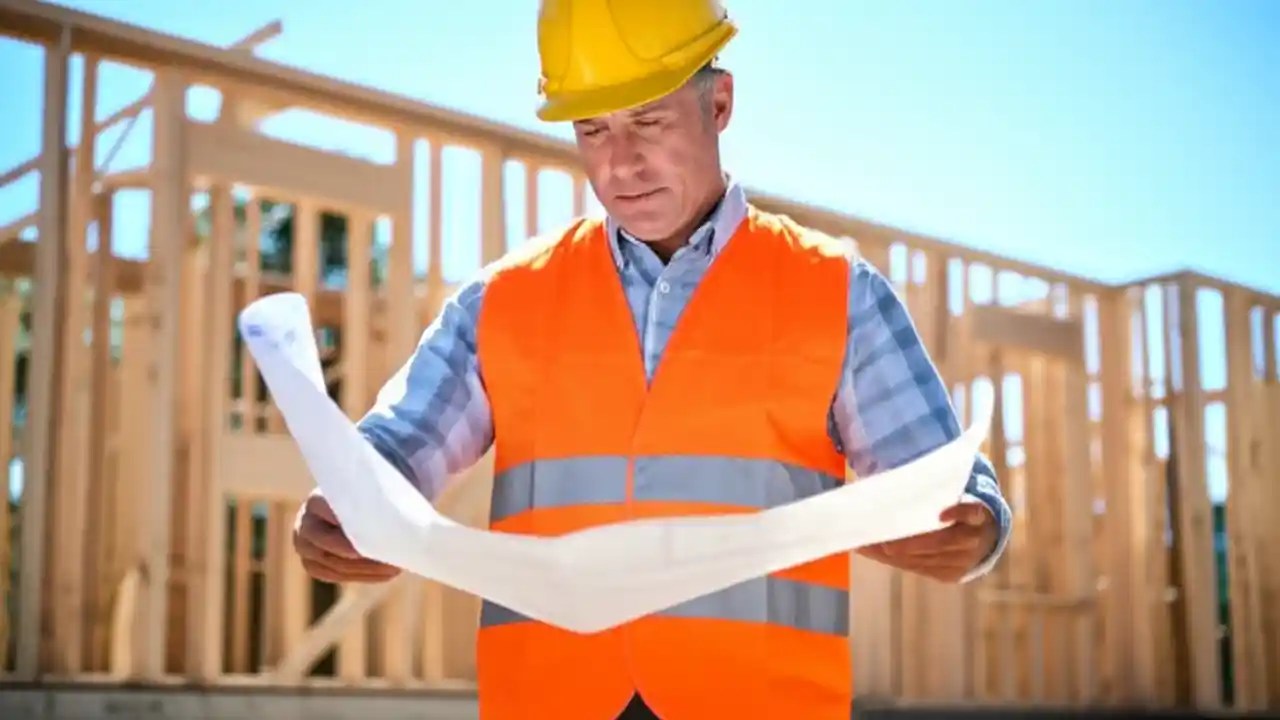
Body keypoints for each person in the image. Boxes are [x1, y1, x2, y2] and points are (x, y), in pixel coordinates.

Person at [291, 1, 1011, 718]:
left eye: (649, 121)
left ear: (719, 103)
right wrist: (353, 502)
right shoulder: (504, 299)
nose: (621, 163)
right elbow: (397, 447)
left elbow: (945, 484)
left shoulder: (837, 293)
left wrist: (969, 528)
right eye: (593, 129)